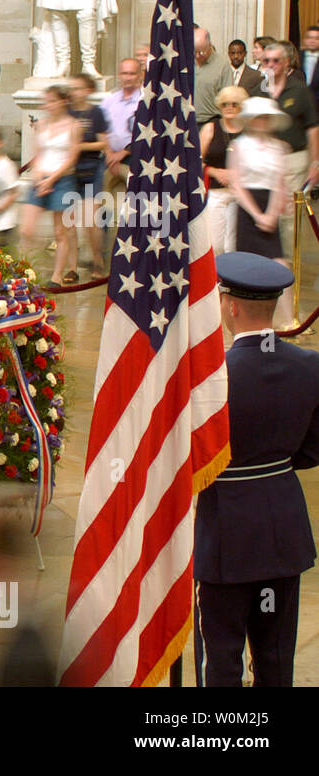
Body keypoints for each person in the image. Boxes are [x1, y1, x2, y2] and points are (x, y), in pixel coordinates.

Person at [194, 251, 319, 687]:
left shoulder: (214, 376)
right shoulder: (310, 365)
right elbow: (314, 447)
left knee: (222, 659)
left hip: (227, 531)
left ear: (230, 306)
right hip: (283, 525)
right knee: (276, 657)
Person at [229, 97, 292, 327]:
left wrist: (271, 215)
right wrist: (257, 215)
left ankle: (287, 323)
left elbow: (280, 183)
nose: (262, 121)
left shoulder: (279, 147)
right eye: (258, 117)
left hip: (270, 206)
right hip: (248, 209)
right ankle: (245, 321)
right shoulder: (239, 145)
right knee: (247, 266)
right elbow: (236, 184)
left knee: (279, 264)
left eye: (266, 117)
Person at [253, 42, 319, 257]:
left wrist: (314, 163)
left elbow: (312, 128)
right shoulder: (258, 91)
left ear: (286, 62)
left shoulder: (299, 90)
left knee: (287, 215)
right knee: (266, 211)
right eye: (266, 61)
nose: (270, 65)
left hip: (293, 160)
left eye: (275, 61)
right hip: (264, 161)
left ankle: (286, 265)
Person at [19, 85, 79, 287]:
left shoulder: (73, 125)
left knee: (60, 231)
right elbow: (37, 154)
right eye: (47, 101)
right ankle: (27, 269)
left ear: (63, 102)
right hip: (41, 177)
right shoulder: (42, 125)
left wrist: (51, 179)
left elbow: (72, 158)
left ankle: (57, 275)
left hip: (62, 178)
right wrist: (39, 178)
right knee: (27, 228)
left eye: (53, 101)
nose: (49, 105)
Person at [100, 58, 143, 263]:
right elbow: (102, 129)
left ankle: (133, 254)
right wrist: (109, 152)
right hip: (108, 159)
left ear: (139, 75)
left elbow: (144, 133)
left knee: (134, 208)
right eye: (124, 73)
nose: (127, 78)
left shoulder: (144, 101)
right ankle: (103, 255)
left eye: (132, 73)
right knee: (101, 206)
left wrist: (122, 154)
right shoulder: (109, 100)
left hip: (134, 159)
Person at [67, 73, 108, 280]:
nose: (74, 92)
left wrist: (79, 145)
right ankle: (72, 266)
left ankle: (97, 259)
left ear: (88, 90)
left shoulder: (96, 113)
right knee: (70, 220)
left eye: (78, 88)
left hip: (92, 167)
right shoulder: (67, 112)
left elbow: (103, 144)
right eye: (72, 88)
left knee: (91, 220)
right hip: (71, 169)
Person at [200, 86, 247, 258]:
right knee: (216, 244)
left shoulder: (247, 130)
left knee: (232, 245)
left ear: (241, 107)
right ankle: (216, 281)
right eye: (225, 104)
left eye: (234, 104)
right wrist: (214, 172)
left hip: (239, 193)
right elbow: (196, 161)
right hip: (216, 193)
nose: (229, 108)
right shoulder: (210, 128)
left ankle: (230, 281)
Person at [194, 26, 235, 127]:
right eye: (194, 52)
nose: (198, 56)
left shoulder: (222, 65)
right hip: (186, 123)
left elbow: (228, 98)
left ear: (210, 46)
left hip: (211, 122)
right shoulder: (185, 62)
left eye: (201, 52)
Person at [300, 26, 319, 108]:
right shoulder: (296, 57)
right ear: (304, 39)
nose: (312, 41)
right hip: (299, 103)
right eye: (309, 38)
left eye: (316, 38)